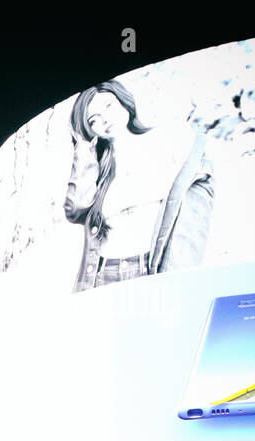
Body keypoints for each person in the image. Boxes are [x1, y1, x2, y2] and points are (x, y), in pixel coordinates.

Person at [65, 78, 213, 292]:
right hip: (102, 273)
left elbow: (193, 216)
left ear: (122, 99)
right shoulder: (98, 165)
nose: (105, 119)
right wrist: (83, 151)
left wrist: (179, 277)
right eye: (94, 120)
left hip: (149, 269)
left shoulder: (167, 140)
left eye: (108, 105)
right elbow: (75, 210)